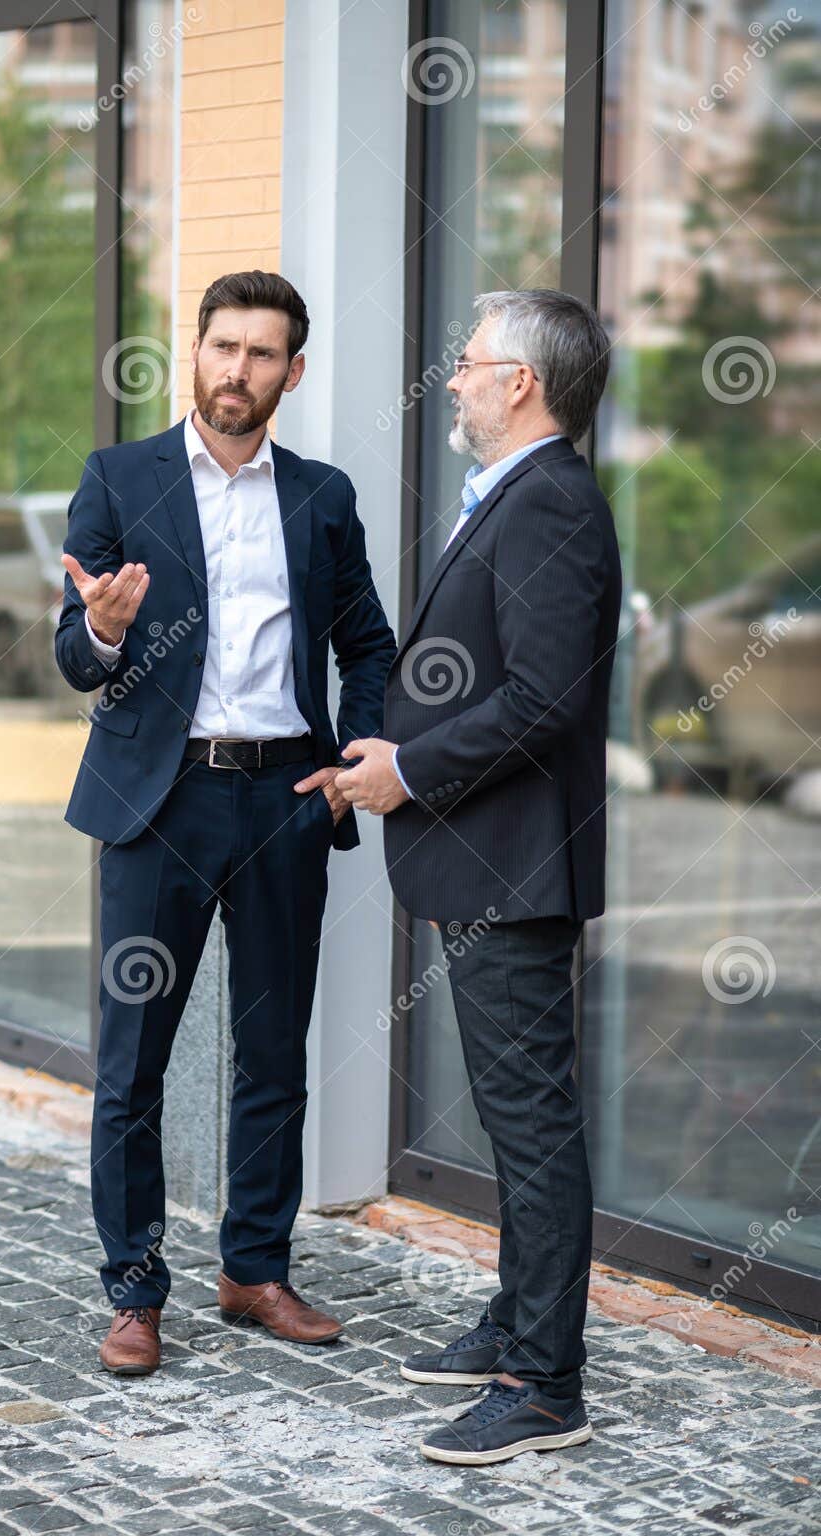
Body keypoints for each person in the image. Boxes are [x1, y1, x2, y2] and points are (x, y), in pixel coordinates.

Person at [55, 270, 397, 1377]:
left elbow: (370, 645)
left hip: (285, 802)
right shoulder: (120, 477)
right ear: (191, 354)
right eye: (221, 347)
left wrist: (354, 758)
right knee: (133, 1063)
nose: (235, 370)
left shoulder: (323, 495)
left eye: (260, 354)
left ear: (291, 373)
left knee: (273, 1053)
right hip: (160, 803)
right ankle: (134, 1290)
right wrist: (104, 634)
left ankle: (253, 1269)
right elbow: (73, 653)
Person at [336, 288, 623, 1463]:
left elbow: (544, 700)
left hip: (514, 869)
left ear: (523, 384)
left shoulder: (549, 501)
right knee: (518, 1119)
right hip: (485, 864)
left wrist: (410, 769)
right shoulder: (522, 494)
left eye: (468, 364)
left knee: (533, 1122)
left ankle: (546, 1383)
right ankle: (516, 1318)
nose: (451, 382)